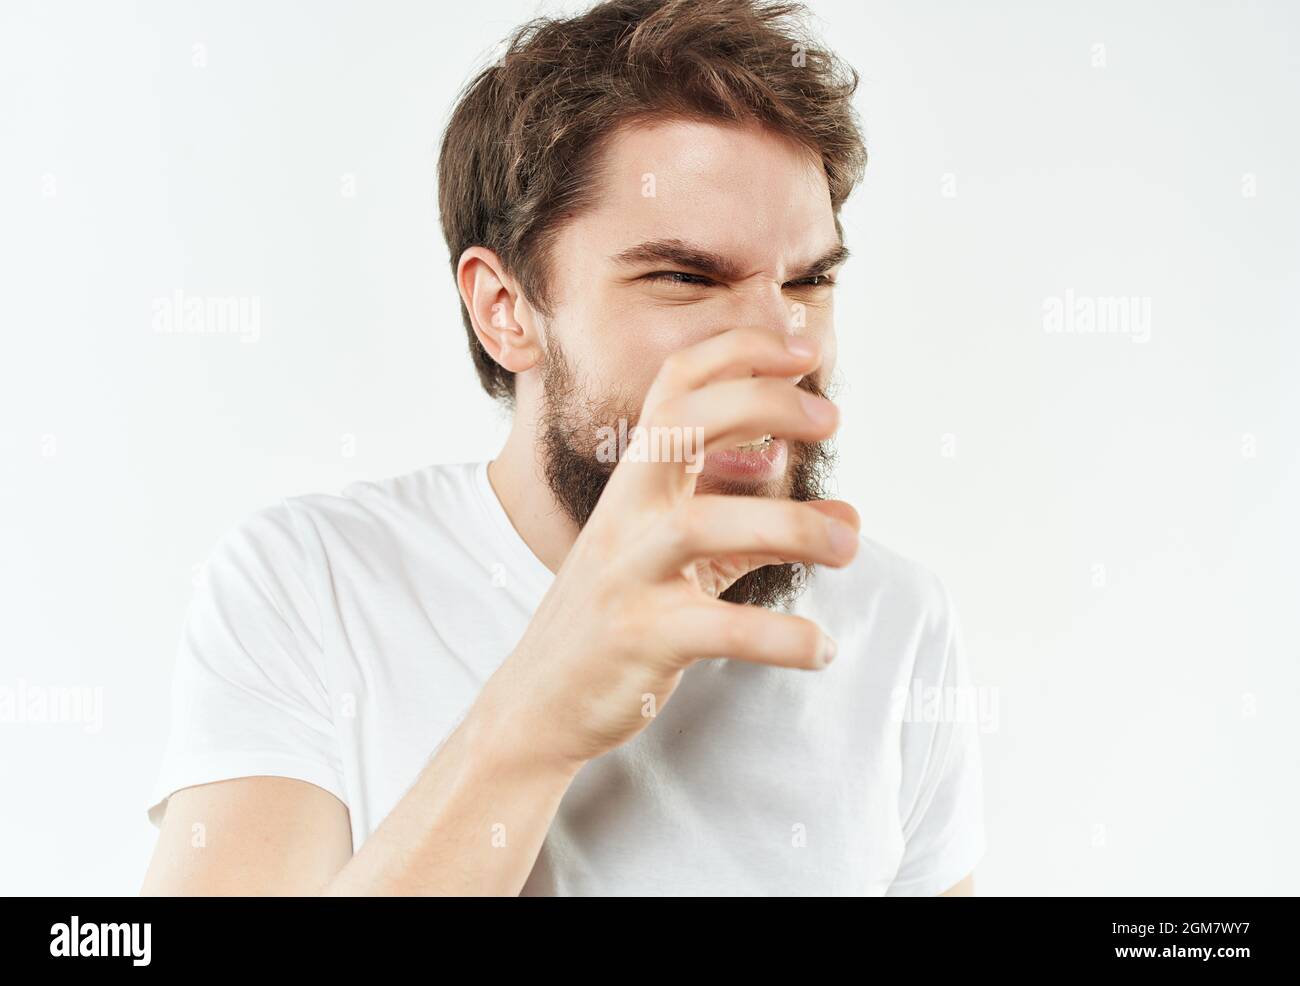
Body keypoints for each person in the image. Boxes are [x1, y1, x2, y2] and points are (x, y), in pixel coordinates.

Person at [141, 0, 986, 896]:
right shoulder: (313, 584)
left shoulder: (897, 624)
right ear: (505, 309)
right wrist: (543, 706)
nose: (785, 348)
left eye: (810, 280)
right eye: (684, 278)